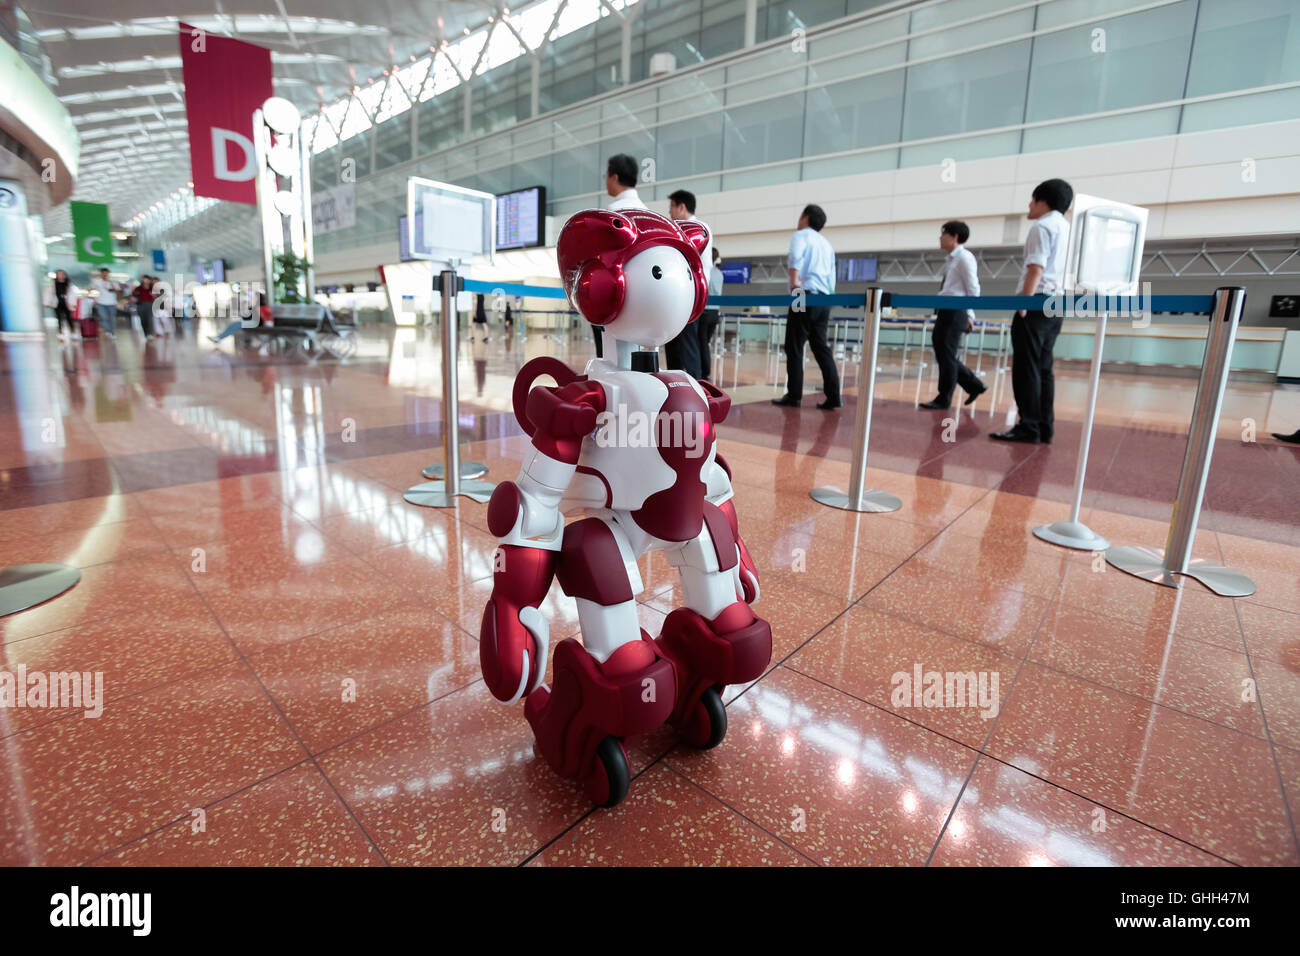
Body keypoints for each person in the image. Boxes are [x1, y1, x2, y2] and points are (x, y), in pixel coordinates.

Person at [991, 178, 1073, 444]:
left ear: (1043, 201)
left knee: (1026, 368)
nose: (1029, 205)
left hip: (1037, 303)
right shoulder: (1069, 229)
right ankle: (1044, 427)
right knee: (1044, 368)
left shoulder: (1042, 227)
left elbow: (1035, 269)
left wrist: (1024, 304)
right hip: (1057, 303)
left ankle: (1029, 426)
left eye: (1032, 199)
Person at [773, 203, 841, 410]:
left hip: (802, 294)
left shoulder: (801, 236)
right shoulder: (827, 245)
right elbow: (831, 275)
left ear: (806, 218)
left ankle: (794, 395)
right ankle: (834, 396)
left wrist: (795, 284)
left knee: (794, 344)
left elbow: (796, 258)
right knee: (821, 347)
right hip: (823, 299)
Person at [920, 221, 987, 409]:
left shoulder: (965, 257)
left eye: (944, 234)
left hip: (956, 310)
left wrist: (970, 315)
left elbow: (973, 289)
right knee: (943, 352)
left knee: (946, 353)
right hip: (947, 309)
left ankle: (945, 397)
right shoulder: (951, 259)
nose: (940, 238)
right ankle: (974, 385)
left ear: (955, 236)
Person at [662, 188, 713, 379]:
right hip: (688, 292)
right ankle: (678, 380)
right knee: (676, 339)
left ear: (681, 207)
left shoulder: (693, 228)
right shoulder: (699, 226)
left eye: (671, 207)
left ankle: (694, 383)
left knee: (687, 342)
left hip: (688, 293)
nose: (670, 212)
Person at [699, 247, 723, 381]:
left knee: (702, 343)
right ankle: (706, 372)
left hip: (706, 311)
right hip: (716, 313)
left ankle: (705, 372)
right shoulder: (720, 273)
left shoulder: (705, 272)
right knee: (706, 343)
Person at [46, 270, 78, 340]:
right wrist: (47, 302)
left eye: (61, 274)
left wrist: (73, 303)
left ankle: (73, 332)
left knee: (69, 318)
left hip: (67, 303)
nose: (60, 275)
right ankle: (60, 333)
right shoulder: (52, 284)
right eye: (58, 274)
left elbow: (72, 294)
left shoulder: (69, 284)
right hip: (57, 303)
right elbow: (48, 294)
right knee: (59, 319)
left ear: (64, 275)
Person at [90, 267, 119, 339]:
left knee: (112, 318)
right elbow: (90, 288)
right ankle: (108, 331)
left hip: (112, 303)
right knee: (104, 318)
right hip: (100, 303)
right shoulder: (96, 281)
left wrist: (111, 283)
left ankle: (112, 332)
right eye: (103, 273)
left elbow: (117, 291)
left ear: (108, 274)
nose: (104, 275)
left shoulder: (114, 282)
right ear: (101, 274)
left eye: (106, 273)